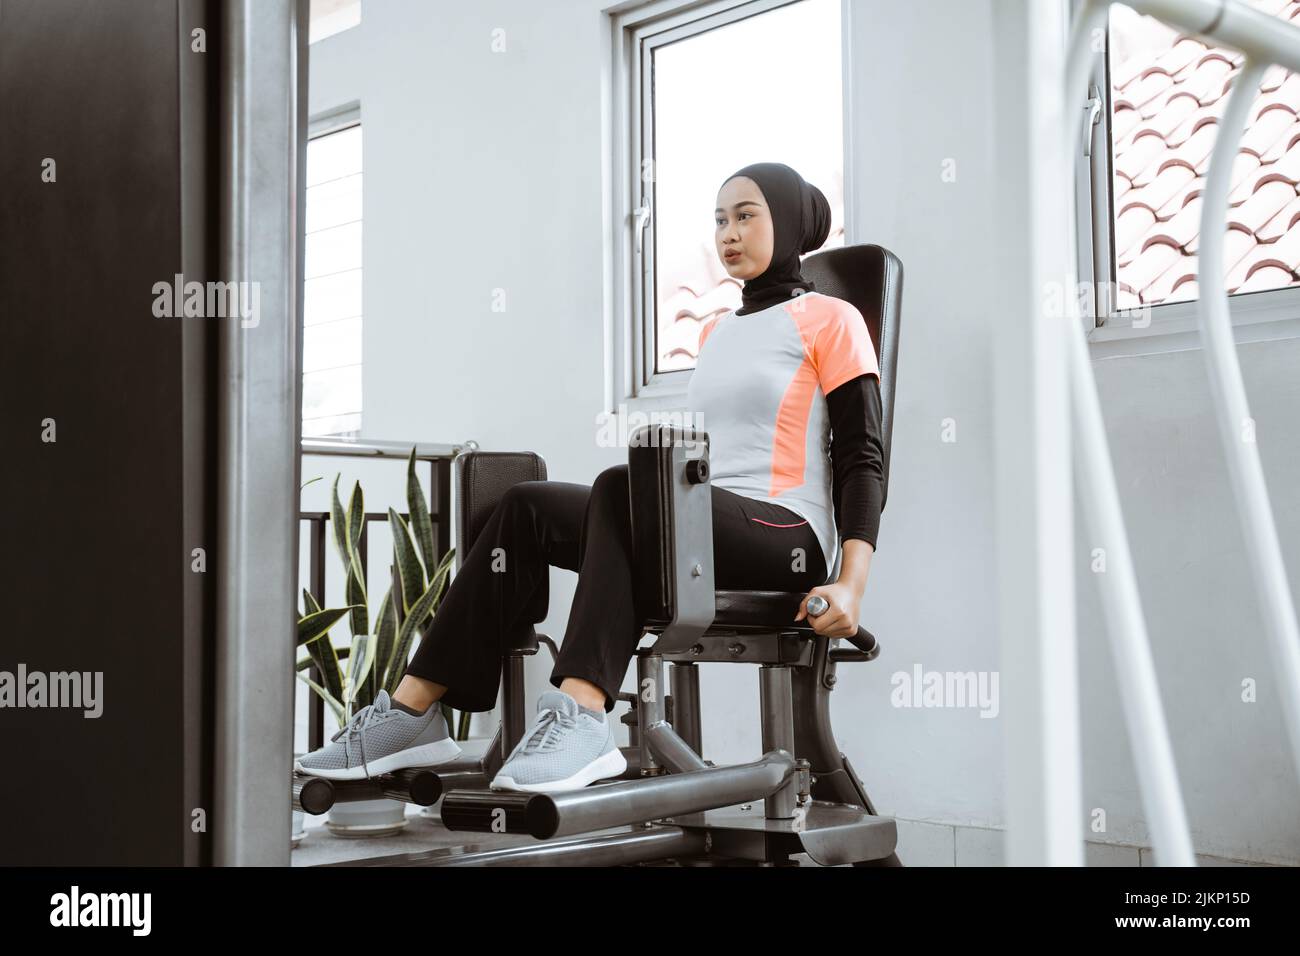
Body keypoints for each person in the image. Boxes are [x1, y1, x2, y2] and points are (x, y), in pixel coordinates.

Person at [294, 161, 886, 793]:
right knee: (526, 506)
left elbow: (862, 455)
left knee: (626, 486)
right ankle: (414, 713)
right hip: (703, 525)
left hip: (787, 537)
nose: (729, 233)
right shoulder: (718, 331)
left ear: (790, 223)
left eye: (747, 216)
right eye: (719, 220)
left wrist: (850, 583)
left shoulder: (832, 318)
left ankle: (582, 714)